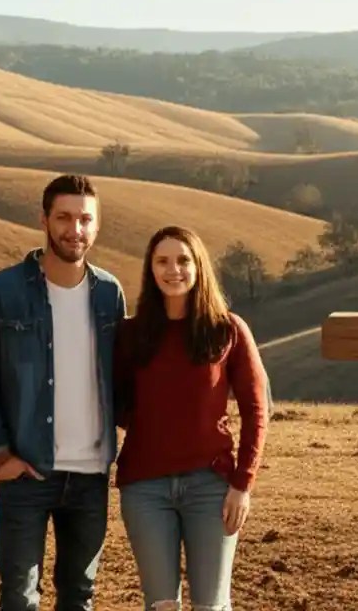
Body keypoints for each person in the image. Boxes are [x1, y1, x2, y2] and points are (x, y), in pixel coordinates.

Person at [0, 173, 127, 611]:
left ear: (97, 225)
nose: (75, 229)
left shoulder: (110, 293)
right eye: (64, 217)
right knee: (18, 597)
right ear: (44, 220)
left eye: (85, 219)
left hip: (91, 477)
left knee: (80, 596)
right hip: (27, 471)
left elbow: (122, 378)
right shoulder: (2, 292)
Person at [113, 225, 269, 611]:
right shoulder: (131, 334)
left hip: (211, 488)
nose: (173, 270)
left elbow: (256, 410)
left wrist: (242, 483)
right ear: (150, 269)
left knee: (211, 605)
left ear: (199, 266)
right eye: (162, 261)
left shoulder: (228, 329)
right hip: (145, 489)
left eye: (183, 260)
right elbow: (114, 402)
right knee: (161, 604)